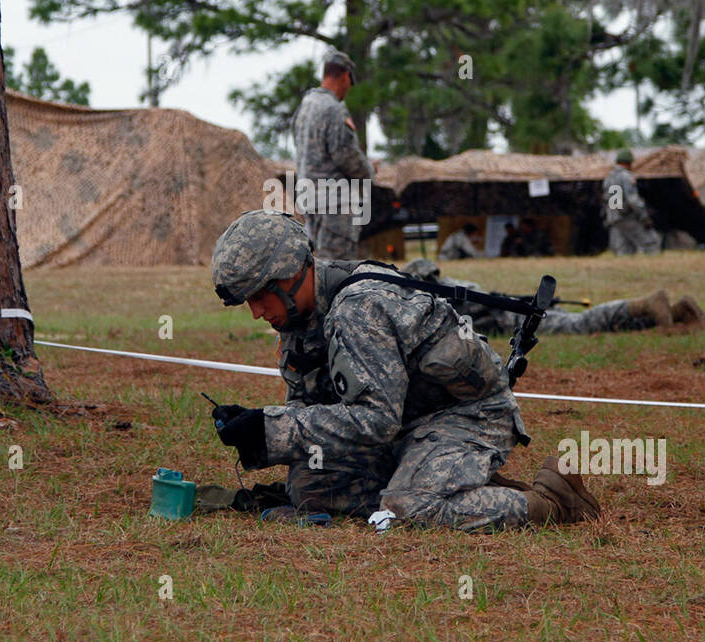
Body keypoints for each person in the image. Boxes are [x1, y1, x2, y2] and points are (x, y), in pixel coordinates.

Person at [209, 210, 601, 531]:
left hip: (465, 416)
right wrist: (254, 426)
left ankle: (551, 503)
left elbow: (376, 419)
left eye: (261, 296)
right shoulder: (298, 322)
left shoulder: (359, 308)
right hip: (406, 427)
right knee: (311, 486)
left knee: (409, 509)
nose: (257, 312)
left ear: (291, 273)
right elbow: (314, 408)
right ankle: (442, 478)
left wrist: (270, 428)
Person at [401, 258, 705, 338]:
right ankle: (675, 312)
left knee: (580, 325)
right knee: (584, 324)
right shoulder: (452, 286)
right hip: (515, 313)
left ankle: (641, 305)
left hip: (516, 321)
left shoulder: (441, 295)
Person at [290, 50, 375, 260]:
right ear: (345, 76)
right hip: (335, 203)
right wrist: (369, 171)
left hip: (309, 199)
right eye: (349, 83)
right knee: (337, 269)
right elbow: (345, 156)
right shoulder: (334, 109)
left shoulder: (304, 107)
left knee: (316, 265)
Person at [601, 149, 660, 255]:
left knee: (624, 250)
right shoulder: (626, 176)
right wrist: (644, 216)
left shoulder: (609, 178)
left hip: (614, 217)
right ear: (629, 163)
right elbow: (633, 199)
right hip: (626, 216)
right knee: (651, 242)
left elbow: (606, 199)